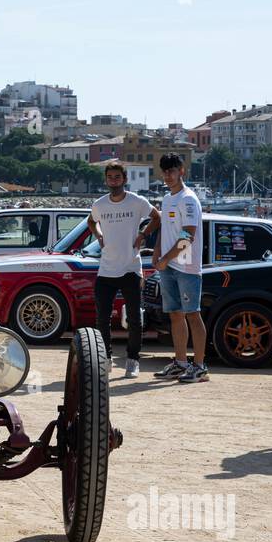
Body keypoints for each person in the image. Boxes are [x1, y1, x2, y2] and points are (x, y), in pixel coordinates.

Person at [88, 159, 159, 378]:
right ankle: (106, 358)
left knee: (135, 319)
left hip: (130, 267)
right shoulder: (100, 204)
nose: (113, 181)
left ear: (125, 179)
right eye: (110, 177)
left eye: (117, 177)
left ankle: (133, 360)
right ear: (106, 180)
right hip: (107, 269)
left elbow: (156, 217)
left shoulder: (136, 201)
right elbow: (91, 221)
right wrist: (98, 235)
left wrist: (143, 235)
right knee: (102, 318)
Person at [152, 154, 209, 383]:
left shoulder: (188, 199)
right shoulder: (167, 199)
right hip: (168, 265)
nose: (168, 176)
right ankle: (180, 362)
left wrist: (166, 258)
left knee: (193, 314)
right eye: (164, 171)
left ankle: (200, 366)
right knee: (175, 314)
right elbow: (166, 230)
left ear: (181, 171)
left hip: (186, 266)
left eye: (172, 171)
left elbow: (189, 235)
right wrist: (157, 251)